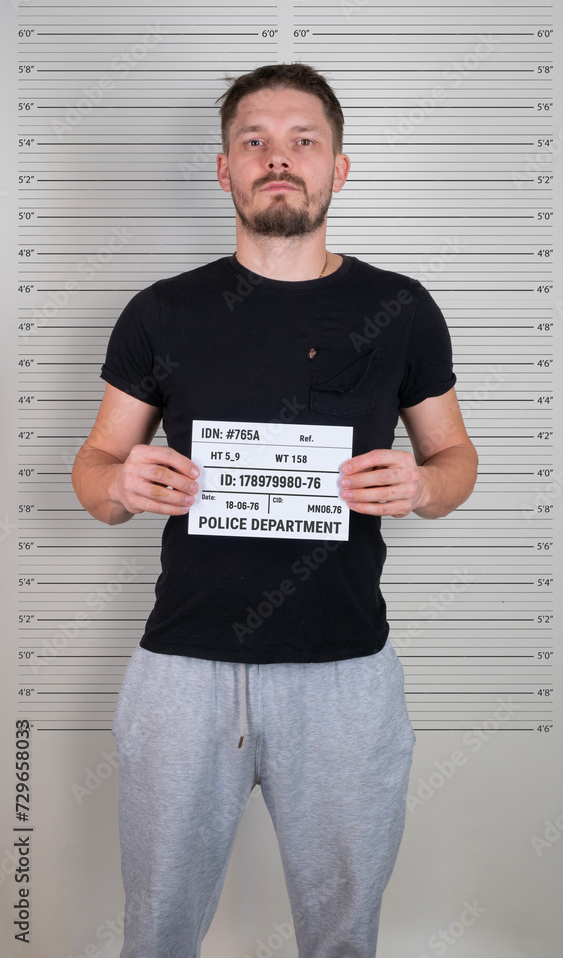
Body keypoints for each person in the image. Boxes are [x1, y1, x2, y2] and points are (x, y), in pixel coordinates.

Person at [72, 62, 478, 958]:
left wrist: (422, 487)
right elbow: (95, 468)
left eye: (303, 141)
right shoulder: (162, 310)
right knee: (157, 933)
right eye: (254, 141)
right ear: (224, 170)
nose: (278, 158)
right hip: (182, 673)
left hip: (344, 672)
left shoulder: (399, 308)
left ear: (340, 166)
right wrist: (120, 485)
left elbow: (454, 460)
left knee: (342, 938)